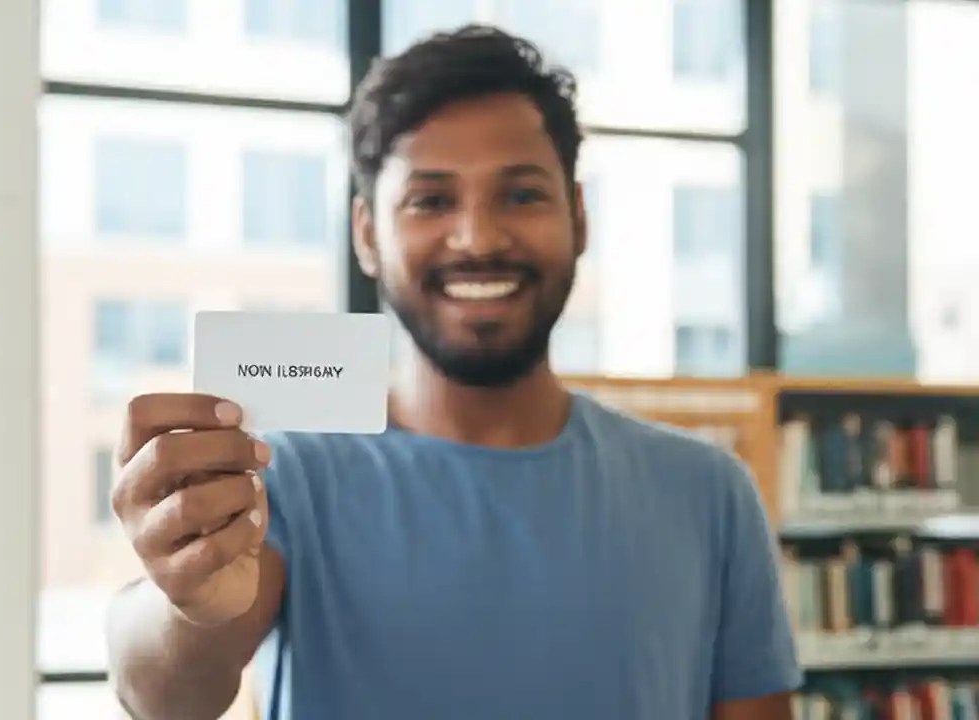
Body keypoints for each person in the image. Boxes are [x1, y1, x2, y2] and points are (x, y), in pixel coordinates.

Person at [105, 24, 801, 720]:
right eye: (431, 201)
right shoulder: (282, 476)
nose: (478, 238)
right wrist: (186, 605)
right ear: (368, 235)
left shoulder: (708, 493)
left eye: (522, 195)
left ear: (579, 218)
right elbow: (164, 695)